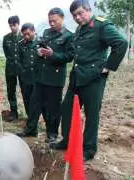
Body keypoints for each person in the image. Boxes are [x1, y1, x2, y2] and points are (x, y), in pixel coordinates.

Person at [50, 0, 128, 161]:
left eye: (80, 13)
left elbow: (121, 43)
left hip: (94, 78)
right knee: (67, 109)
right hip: (77, 76)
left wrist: (108, 67)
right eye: (74, 15)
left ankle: (88, 149)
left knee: (92, 115)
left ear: (88, 9)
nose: (78, 17)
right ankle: (67, 140)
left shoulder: (102, 26)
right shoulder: (80, 29)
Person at [17, 8, 74, 144]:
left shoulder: (68, 36)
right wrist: (40, 52)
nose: (52, 24)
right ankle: (31, 129)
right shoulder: (46, 32)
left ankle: (52, 133)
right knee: (34, 103)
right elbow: (41, 45)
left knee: (53, 107)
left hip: (55, 78)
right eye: (50, 21)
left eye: (55, 21)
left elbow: (69, 56)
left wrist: (53, 55)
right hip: (41, 76)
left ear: (62, 18)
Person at [3, 15, 22, 121]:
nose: (12, 27)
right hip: (10, 68)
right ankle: (14, 112)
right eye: (10, 26)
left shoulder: (24, 36)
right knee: (11, 90)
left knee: (25, 90)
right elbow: (7, 53)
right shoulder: (6, 38)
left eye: (14, 25)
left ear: (18, 24)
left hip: (22, 68)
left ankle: (29, 112)